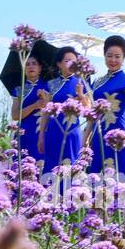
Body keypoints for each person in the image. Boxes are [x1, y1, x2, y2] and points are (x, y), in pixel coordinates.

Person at [83, 35, 125, 183]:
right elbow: (93, 112)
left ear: (124, 58)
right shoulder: (98, 81)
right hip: (98, 133)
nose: (113, 60)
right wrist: (86, 137)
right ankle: (94, 206)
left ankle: (119, 206)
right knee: (95, 172)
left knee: (117, 173)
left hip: (118, 134)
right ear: (104, 55)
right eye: (109, 56)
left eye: (117, 56)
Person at [37, 46, 85, 178]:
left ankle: (69, 197)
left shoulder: (81, 83)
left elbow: (88, 110)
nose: (71, 64)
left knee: (71, 167)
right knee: (51, 167)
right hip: (53, 131)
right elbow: (46, 111)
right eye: (67, 61)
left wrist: (81, 95)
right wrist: (41, 134)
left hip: (72, 131)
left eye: (73, 61)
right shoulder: (51, 84)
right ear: (58, 64)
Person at [10, 52, 49, 164]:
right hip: (24, 134)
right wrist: (34, 106)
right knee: (21, 170)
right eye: (27, 64)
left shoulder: (50, 86)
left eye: (34, 63)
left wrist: (45, 99)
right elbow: (15, 115)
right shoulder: (18, 90)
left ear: (40, 67)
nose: (31, 66)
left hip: (43, 134)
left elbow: (53, 110)